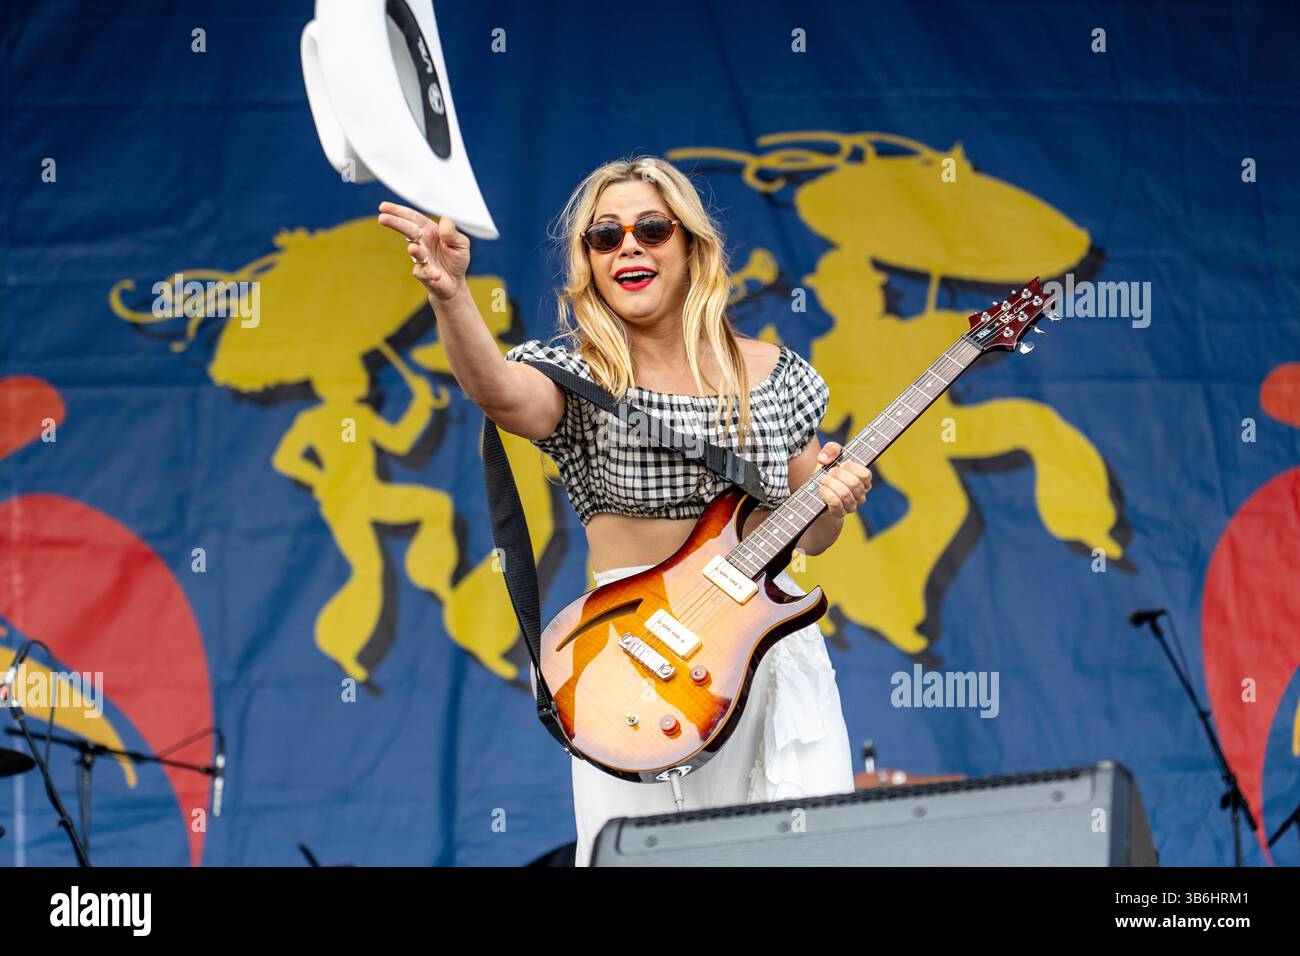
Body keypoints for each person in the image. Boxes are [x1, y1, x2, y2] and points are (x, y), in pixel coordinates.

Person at [378, 155, 871, 866]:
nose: (628, 247)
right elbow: (498, 393)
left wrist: (836, 498)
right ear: (588, 262)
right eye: (605, 237)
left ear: (690, 246)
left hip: (765, 652)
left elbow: (814, 533)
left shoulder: (775, 374)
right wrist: (452, 294)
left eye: (650, 229)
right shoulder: (579, 372)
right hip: (636, 661)